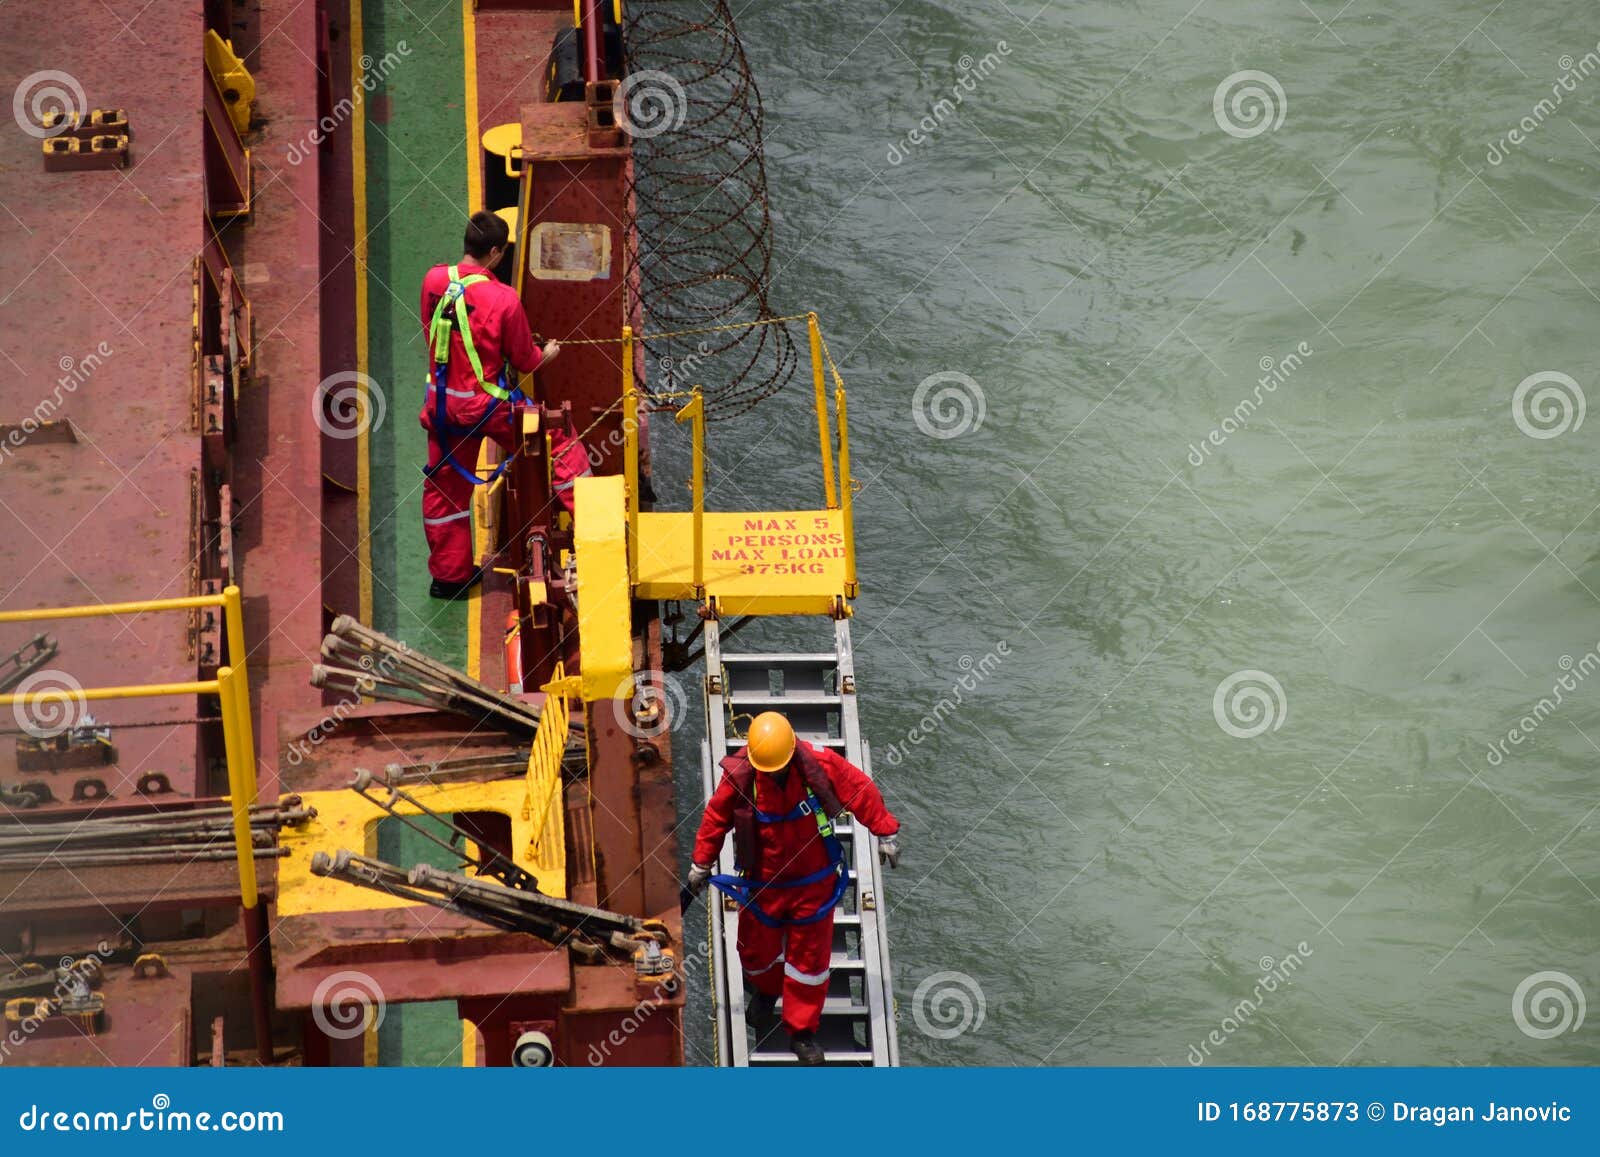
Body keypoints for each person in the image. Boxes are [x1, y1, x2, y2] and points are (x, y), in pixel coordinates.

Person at [686, 711, 901, 1064]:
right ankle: (767, 993)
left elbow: (859, 790)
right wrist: (701, 863)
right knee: (755, 952)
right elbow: (716, 817)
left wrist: (886, 832)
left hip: (811, 884)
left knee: (809, 962)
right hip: (762, 884)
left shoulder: (819, 764)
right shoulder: (743, 773)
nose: (772, 773)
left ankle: (801, 1031)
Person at [419, 210, 560, 599]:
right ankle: (589, 521)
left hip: (442, 407)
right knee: (553, 443)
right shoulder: (504, 299)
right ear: (496, 253)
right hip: (488, 409)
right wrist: (547, 352)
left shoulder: (433, 280)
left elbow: (432, 332)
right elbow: (525, 360)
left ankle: (449, 579)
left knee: (443, 492)